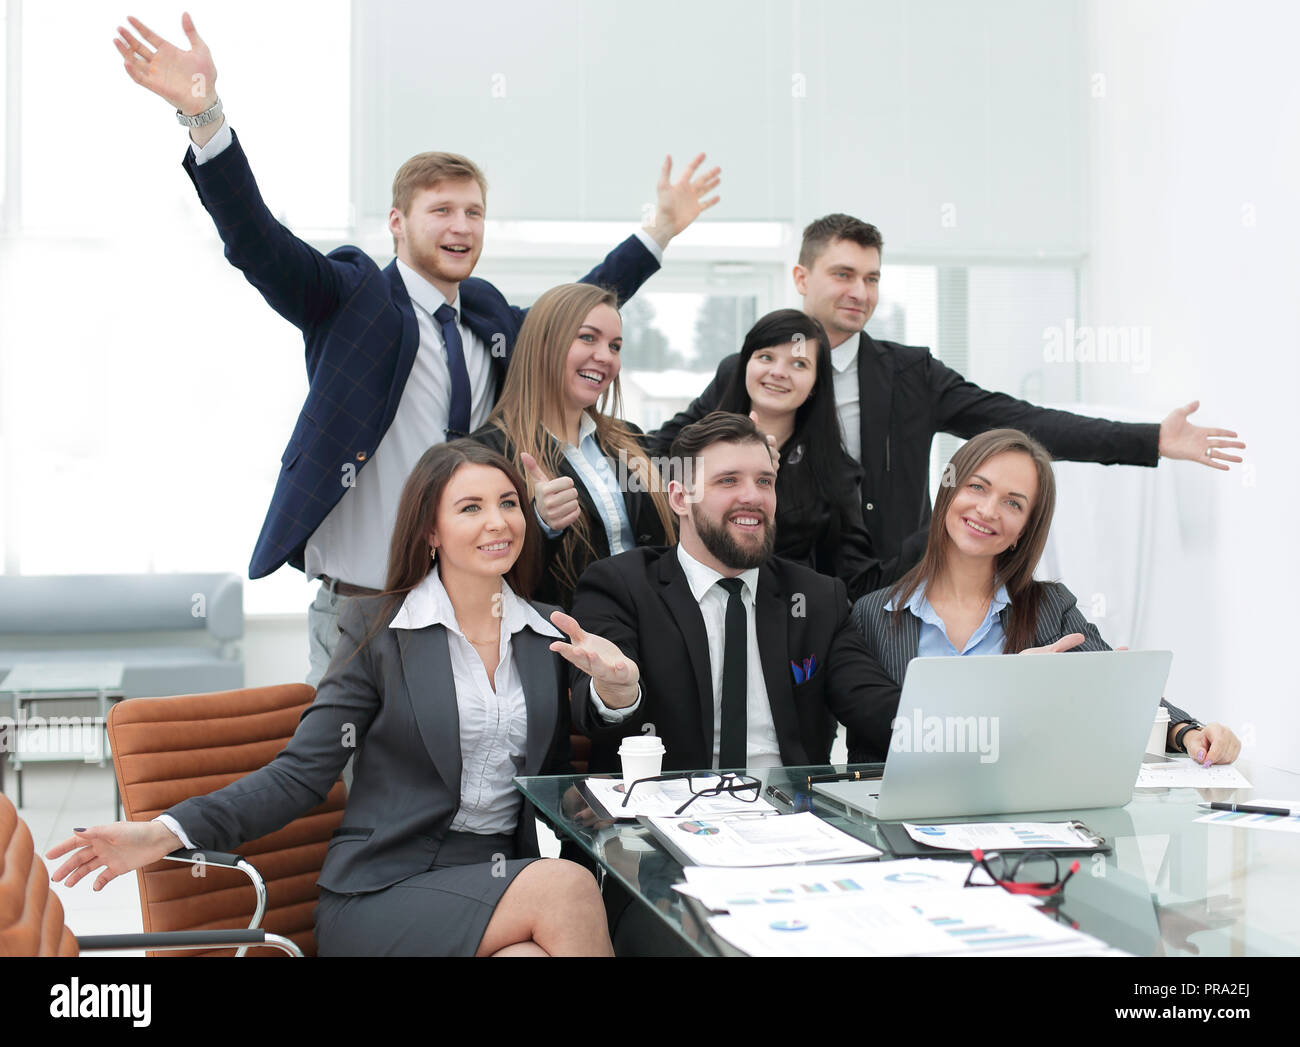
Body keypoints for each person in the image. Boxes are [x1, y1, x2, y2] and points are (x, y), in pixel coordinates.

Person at [113, 14, 720, 684]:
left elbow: (569, 316)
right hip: (364, 607)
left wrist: (657, 233)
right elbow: (257, 241)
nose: (461, 226)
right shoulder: (350, 300)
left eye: (474, 212)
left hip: (469, 604)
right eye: (441, 210)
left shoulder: (488, 316)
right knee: (353, 779)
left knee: (464, 782)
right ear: (398, 223)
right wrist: (206, 117)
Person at [46, 442, 644, 956]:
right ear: (430, 532)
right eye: (471, 508)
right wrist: (163, 833)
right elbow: (300, 775)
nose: (499, 522)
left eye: (509, 504)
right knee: (565, 886)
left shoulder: (546, 631)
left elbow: (584, 743)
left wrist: (619, 692)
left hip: (495, 880)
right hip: (381, 890)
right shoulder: (378, 631)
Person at [658, 214, 1246, 560]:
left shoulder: (911, 375)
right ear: (802, 277)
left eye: (871, 278)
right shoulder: (751, 369)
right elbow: (666, 451)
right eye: (843, 275)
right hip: (766, 579)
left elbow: (1021, 423)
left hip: (886, 585)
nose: (859, 292)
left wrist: (1149, 440)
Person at [852, 428, 1241, 765]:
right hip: (903, 827)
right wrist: (1010, 684)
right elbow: (874, 738)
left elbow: (1118, 688)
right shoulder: (871, 615)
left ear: (1024, 529)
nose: (988, 510)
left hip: (1020, 821)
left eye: (1013, 503)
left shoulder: (1050, 608)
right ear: (949, 490)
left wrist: (1189, 733)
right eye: (977, 487)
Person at [565, 411, 902, 774]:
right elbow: (595, 710)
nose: (753, 497)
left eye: (764, 481)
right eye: (728, 481)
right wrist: (618, 691)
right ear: (680, 499)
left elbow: (873, 704)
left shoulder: (816, 597)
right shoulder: (621, 586)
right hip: (665, 816)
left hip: (790, 818)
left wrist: (954, 729)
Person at [649, 308, 924, 599]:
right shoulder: (690, 442)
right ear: (745, 365)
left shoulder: (835, 472)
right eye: (766, 357)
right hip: (682, 606)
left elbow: (857, 581)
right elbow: (640, 463)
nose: (778, 372)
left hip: (782, 623)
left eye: (799, 364)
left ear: (816, 384)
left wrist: (934, 538)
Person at [473, 284, 677, 608]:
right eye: (587, 337)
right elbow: (478, 579)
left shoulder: (631, 440)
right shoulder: (487, 454)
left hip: (650, 641)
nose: (605, 356)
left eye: (615, 346)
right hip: (562, 648)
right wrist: (540, 524)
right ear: (542, 345)